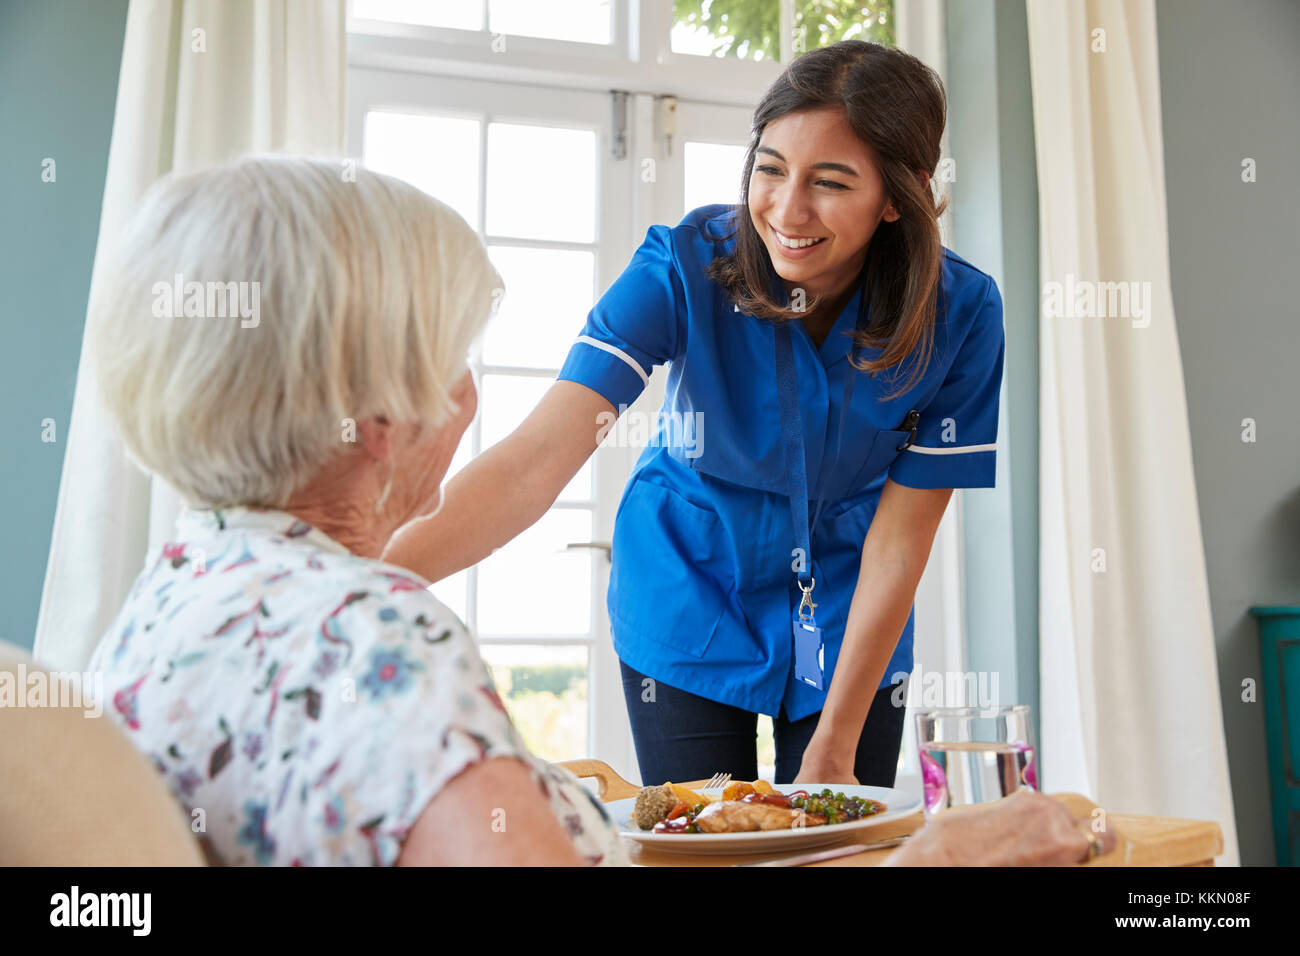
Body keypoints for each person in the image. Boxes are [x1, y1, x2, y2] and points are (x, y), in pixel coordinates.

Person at [385, 40, 1005, 789]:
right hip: (688, 587)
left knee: (837, 845)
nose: (788, 209)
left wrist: (836, 740)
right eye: (770, 169)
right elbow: (531, 465)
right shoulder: (681, 264)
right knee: (705, 844)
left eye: (831, 183)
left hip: (851, 608)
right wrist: (358, 577)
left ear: (896, 198)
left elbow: (902, 541)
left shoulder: (961, 314)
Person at [85, 156, 627, 866]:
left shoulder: (163, 600)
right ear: (381, 412)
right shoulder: (372, 639)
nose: (467, 391)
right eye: (454, 356)